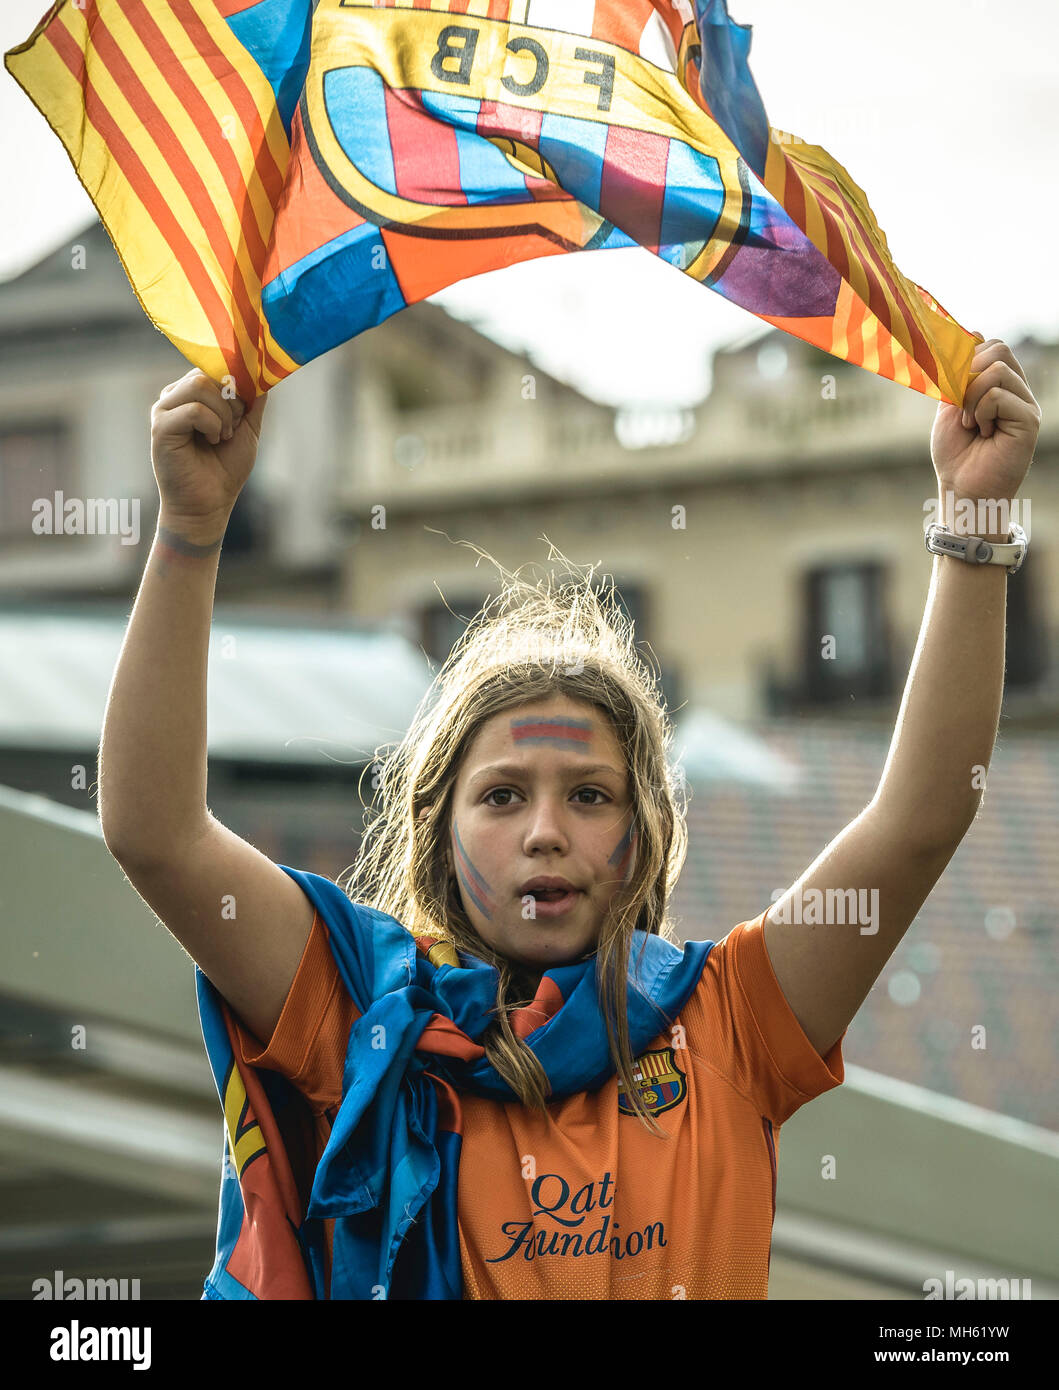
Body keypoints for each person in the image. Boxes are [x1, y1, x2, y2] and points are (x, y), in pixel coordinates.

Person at [98, 342, 1041, 1299]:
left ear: (649, 834)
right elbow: (155, 832)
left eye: (589, 796)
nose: (545, 831)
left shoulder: (729, 1021)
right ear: (437, 828)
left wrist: (973, 515)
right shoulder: (359, 1017)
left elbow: (921, 816)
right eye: (502, 796)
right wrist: (190, 525)